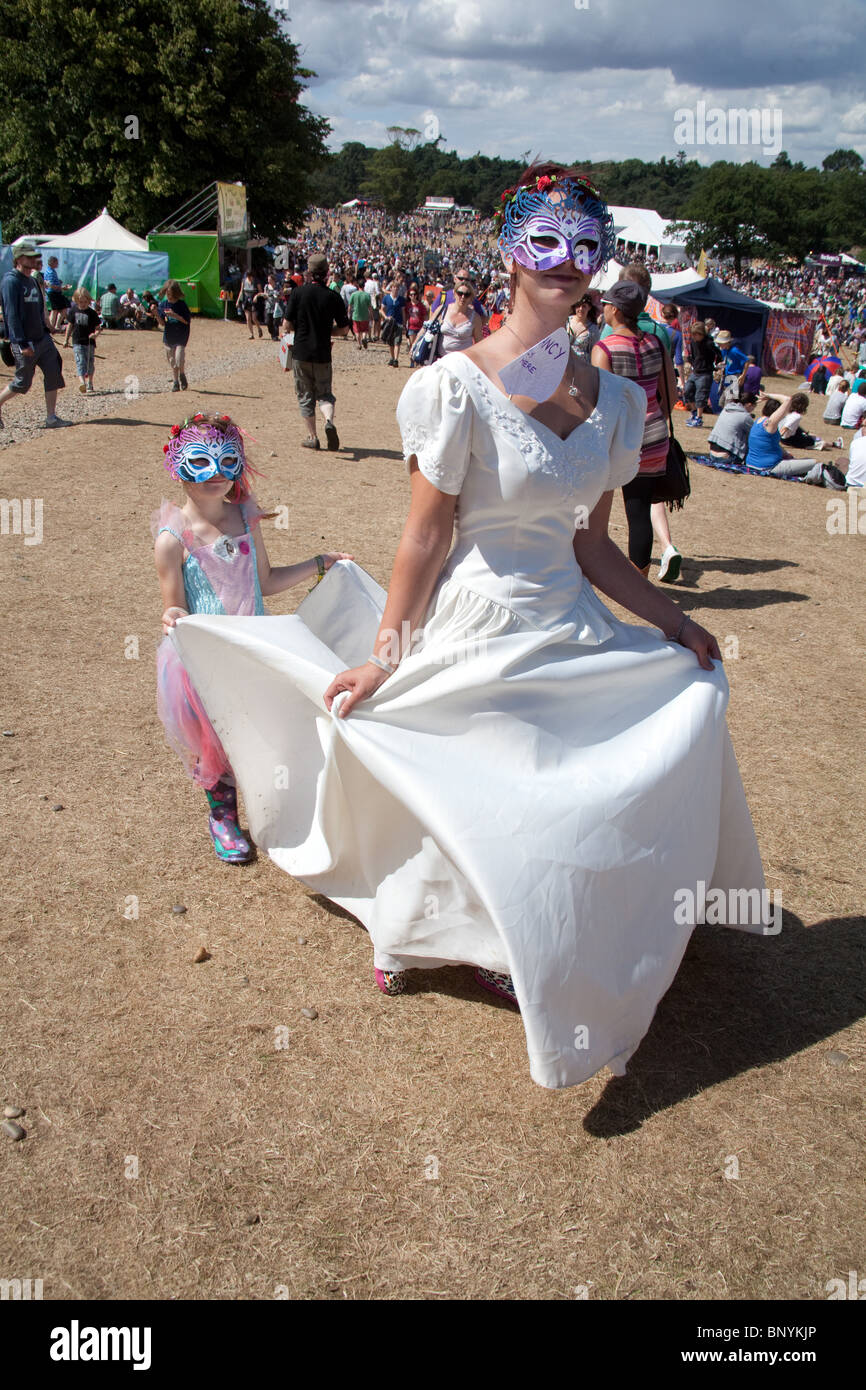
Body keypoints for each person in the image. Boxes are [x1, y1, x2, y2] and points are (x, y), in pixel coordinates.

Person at [171, 163, 765, 1092]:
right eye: (545, 244)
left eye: (585, 247)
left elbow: (595, 551)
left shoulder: (615, 400)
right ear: (509, 253)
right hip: (475, 617)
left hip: (565, 625)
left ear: (604, 261)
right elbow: (424, 535)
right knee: (467, 780)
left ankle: (577, 928)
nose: (566, 264)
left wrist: (674, 620)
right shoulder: (452, 386)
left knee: (607, 761)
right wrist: (382, 660)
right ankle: (425, 927)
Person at [153, 412, 352, 862]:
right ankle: (222, 816)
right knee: (216, 739)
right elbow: (174, 607)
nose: (216, 475)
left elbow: (265, 580)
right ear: (177, 466)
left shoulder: (246, 515)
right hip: (204, 661)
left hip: (255, 648)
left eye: (227, 462)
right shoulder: (173, 540)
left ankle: (282, 808)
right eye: (200, 462)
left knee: (264, 731)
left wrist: (318, 563)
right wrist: (172, 616)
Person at [592, 280, 683, 583]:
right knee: (639, 511)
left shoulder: (605, 348)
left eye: (605, 303)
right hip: (655, 435)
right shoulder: (655, 343)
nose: (602, 309)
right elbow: (670, 392)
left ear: (615, 309)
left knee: (593, 508)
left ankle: (620, 579)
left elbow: (602, 405)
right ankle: (639, 580)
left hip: (620, 440)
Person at [0, 241, 70, 429]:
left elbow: (40, 309)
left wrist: (49, 327)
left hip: (42, 338)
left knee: (53, 372)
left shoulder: (32, 280)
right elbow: (11, 314)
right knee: (23, 382)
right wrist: (21, 343)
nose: (34, 260)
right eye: (30, 257)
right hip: (25, 341)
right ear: (19, 259)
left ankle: (51, 417)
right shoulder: (11, 281)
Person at [284, 252, 350, 449]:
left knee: (305, 395)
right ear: (327, 272)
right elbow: (345, 329)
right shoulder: (333, 297)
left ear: (309, 272)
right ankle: (329, 421)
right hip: (322, 354)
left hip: (301, 352)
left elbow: (287, 325)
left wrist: (299, 329)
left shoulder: (297, 293)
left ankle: (313, 437)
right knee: (325, 394)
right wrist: (327, 331)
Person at [745, 392, 817, 476]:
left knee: (805, 461)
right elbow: (788, 400)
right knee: (815, 463)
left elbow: (771, 443)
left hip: (752, 463)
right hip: (769, 467)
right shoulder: (770, 424)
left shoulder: (759, 421)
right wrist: (769, 395)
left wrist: (785, 454)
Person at [62, 287, 102, 394]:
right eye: (80, 302)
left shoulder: (92, 313)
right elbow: (69, 326)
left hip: (89, 343)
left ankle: (90, 382)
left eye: (85, 302)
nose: (83, 304)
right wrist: (66, 339)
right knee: (80, 361)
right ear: (76, 300)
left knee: (89, 363)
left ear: (89, 301)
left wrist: (95, 334)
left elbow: (98, 328)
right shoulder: (73, 311)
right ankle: (82, 383)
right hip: (77, 342)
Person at [682, 322, 721, 427]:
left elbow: (718, 353)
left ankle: (699, 418)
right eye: (693, 334)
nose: (694, 336)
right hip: (695, 371)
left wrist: (717, 364)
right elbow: (693, 355)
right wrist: (691, 362)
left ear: (702, 334)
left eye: (696, 334)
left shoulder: (709, 343)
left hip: (705, 373)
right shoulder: (693, 342)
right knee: (687, 391)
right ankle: (694, 413)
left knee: (701, 396)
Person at [157, 280, 192, 392]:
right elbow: (162, 323)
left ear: (175, 293)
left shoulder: (181, 305)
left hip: (181, 335)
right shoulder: (163, 305)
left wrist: (174, 315)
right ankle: (176, 382)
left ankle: (182, 375)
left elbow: (186, 321)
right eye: (167, 294)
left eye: (171, 294)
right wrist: (156, 314)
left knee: (179, 358)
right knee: (172, 361)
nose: (169, 296)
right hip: (169, 336)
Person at [707, 393, 759, 463]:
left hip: (712, 454)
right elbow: (755, 434)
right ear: (749, 404)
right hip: (727, 458)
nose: (753, 409)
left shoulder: (726, 408)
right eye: (754, 406)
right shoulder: (745, 417)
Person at [436, 281, 483, 355]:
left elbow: (479, 343)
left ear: (470, 298)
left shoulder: (475, 318)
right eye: (460, 293)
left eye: (467, 295)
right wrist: (414, 344)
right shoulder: (442, 310)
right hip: (441, 359)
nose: (463, 297)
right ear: (454, 294)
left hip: (462, 362)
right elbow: (426, 327)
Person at [381, 276, 407, 367]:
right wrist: (385, 317)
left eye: (397, 287)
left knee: (397, 341)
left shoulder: (401, 300)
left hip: (398, 322)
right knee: (390, 342)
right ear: (391, 288)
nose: (395, 289)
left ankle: (396, 359)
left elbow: (403, 311)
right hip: (389, 323)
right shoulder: (386, 298)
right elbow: (382, 309)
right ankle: (392, 358)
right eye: (394, 287)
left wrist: (404, 323)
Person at [567, 293, 600, 361]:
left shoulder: (593, 328)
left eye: (584, 306)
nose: (581, 309)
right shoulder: (566, 321)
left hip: (581, 365)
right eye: (578, 306)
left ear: (589, 308)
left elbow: (594, 351)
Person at [43, 256, 70, 329]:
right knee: (63, 308)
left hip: (52, 293)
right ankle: (56, 326)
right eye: (56, 262)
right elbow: (51, 285)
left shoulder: (48, 270)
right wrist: (62, 287)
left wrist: (59, 282)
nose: (57, 264)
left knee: (54, 310)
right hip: (54, 293)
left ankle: (52, 326)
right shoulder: (51, 272)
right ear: (52, 262)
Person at [348, 279, 372, 350]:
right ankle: (364, 338)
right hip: (365, 315)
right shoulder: (367, 295)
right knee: (364, 330)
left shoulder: (354, 294)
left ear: (358, 285)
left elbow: (350, 305)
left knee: (357, 331)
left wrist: (349, 313)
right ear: (364, 286)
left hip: (356, 315)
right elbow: (369, 307)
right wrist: (371, 315)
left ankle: (359, 344)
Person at [236, 271, 258, 339]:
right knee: (248, 318)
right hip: (246, 301)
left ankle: (259, 328)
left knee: (254, 318)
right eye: (248, 277)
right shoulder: (244, 281)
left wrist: (256, 296)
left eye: (250, 277)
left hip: (253, 301)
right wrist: (238, 301)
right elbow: (241, 291)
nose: (249, 278)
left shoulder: (255, 282)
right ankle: (251, 334)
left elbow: (259, 291)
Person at [844, 420, 866, 488]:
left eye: (864, 426)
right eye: (862, 426)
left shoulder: (856, 442)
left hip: (850, 483)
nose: (862, 429)